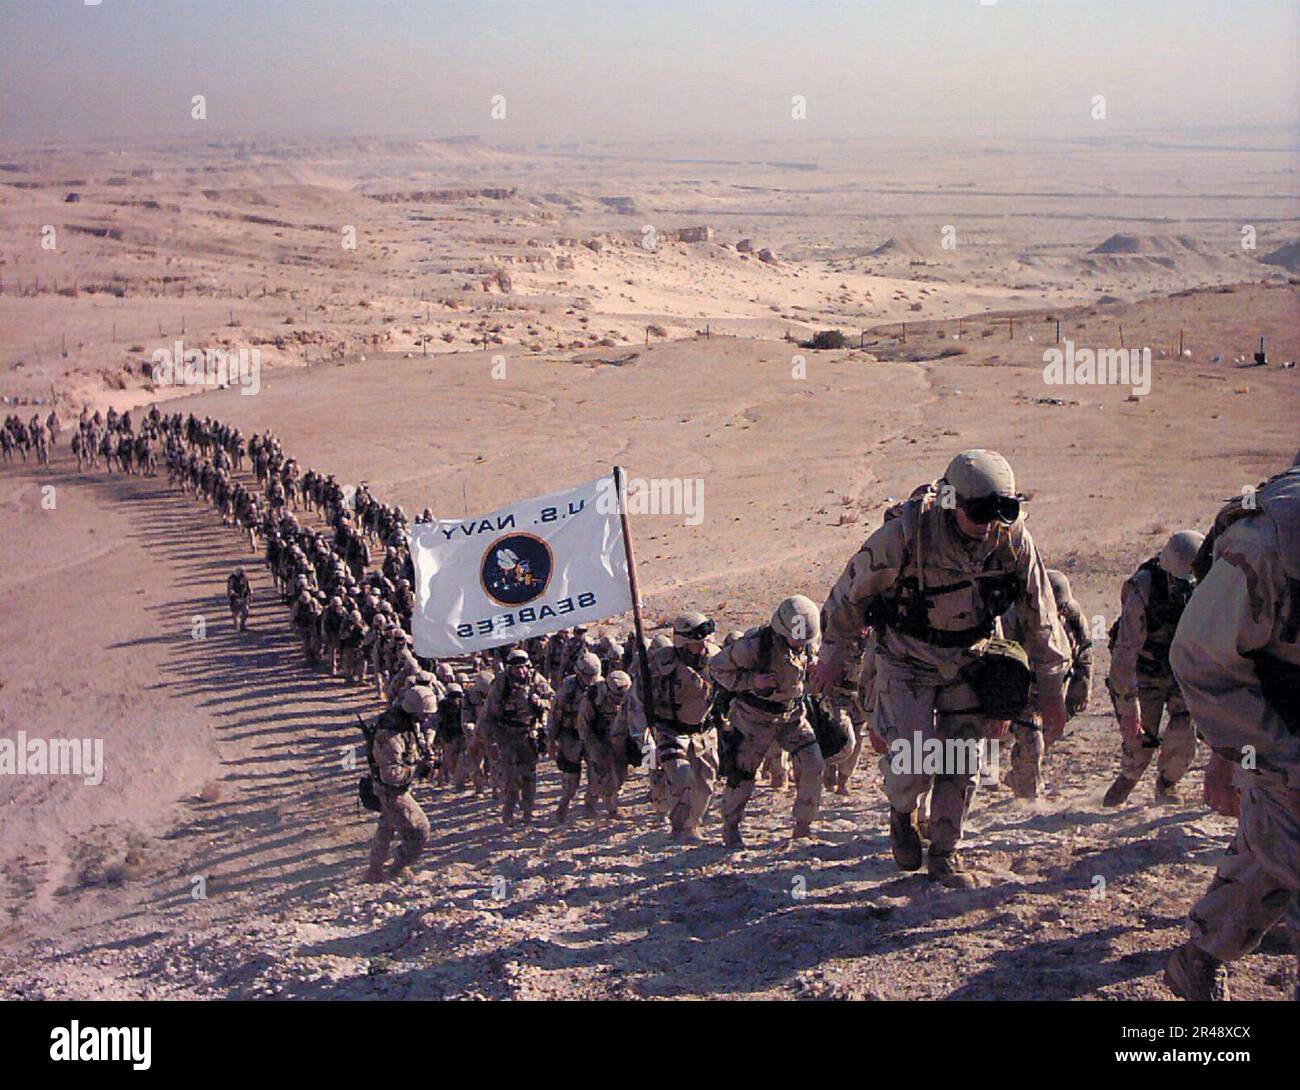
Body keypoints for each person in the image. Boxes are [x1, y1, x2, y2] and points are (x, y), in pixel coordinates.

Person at [812, 450, 1068, 888]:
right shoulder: (904, 537)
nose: (990, 523)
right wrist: (832, 653)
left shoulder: (1012, 540)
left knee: (961, 758)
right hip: (905, 658)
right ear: (952, 502)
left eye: (1003, 510)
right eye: (980, 511)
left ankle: (946, 852)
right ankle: (903, 812)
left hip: (970, 657)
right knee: (913, 761)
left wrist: (1051, 688)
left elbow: (1040, 613)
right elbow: (849, 595)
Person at [1164, 460, 1300, 1001]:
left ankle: (1200, 956)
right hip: (1281, 730)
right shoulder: (1269, 542)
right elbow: (1202, 661)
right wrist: (1272, 758)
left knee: (1274, 849)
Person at [710, 596, 825, 847]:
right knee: (743, 777)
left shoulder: (806, 643)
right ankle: (730, 827)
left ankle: (803, 827)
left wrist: (815, 674)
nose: (801, 643)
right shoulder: (753, 646)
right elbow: (717, 668)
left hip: (792, 715)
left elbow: (804, 675)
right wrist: (752, 682)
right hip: (754, 719)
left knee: (813, 764)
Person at [1103, 530, 1204, 807]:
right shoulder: (1144, 588)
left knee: (1185, 734)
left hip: (1182, 670)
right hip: (1144, 671)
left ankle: (1166, 785)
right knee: (1139, 740)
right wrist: (1128, 705)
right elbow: (1124, 654)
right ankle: (1128, 779)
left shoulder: (1207, 585)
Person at [626, 612, 720, 841]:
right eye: (699, 643)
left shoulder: (716, 660)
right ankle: (679, 829)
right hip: (669, 733)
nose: (705, 647)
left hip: (704, 733)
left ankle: (693, 823)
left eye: (707, 641)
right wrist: (647, 743)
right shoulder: (657, 666)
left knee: (706, 784)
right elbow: (636, 706)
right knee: (680, 777)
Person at [364, 684, 436, 882]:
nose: (427, 718)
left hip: (392, 788)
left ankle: (375, 871)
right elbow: (391, 774)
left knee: (387, 827)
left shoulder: (408, 723)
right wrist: (417, 768)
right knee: (420, 831)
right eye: (424, 714)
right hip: (390, 790)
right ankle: (395, 868)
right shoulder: (391, 735)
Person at [483, 648, 553, 826]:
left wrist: (541, 702)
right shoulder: (500, 684)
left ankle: (528, 813)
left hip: (528, 735)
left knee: (530, 776)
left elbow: (552, 699)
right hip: (506, 735)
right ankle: (508, 815)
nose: (520, 672)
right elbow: (489, 715)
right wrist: (490, 742)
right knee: (511, 778)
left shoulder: (536, 680)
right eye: (516, 668)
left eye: (523, 667)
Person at [226, 566, 251, 632]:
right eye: (242, 572)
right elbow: (230, 589)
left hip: (244, 597)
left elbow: (248, 586)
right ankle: (238, 628)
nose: (243, 574)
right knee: (236, 614)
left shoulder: (245, 577)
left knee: (246, 612)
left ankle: (242, 624)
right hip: (235, 598)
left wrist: (250, 593)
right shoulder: (232, 579)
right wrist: (233, 594)